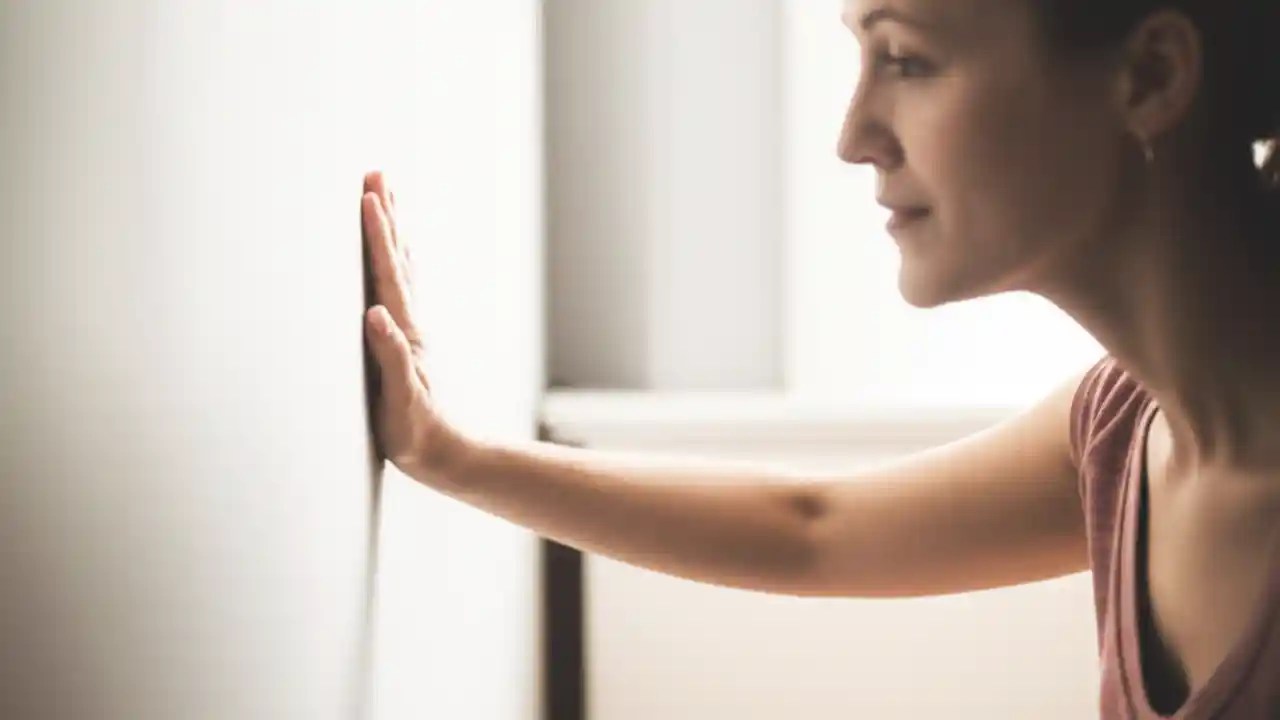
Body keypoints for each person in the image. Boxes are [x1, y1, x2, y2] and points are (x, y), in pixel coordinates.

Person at [359, 0, 1280, 716]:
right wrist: (446, 452)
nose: (853, 137)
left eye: (907, 60)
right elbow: (812, 529)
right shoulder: (1120, 429)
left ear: (1151, 75)